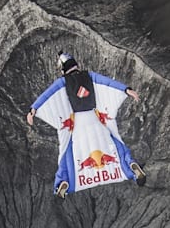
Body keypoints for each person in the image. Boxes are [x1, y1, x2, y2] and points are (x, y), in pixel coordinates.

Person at [27, 52, 147, 197]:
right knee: (116, 146)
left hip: (77, 125)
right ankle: (130, 166)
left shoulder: (62, 83)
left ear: (64, 70)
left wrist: (33, 110)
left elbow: (47, 95)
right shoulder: (90, 76)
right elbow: (107, 83)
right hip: (95, 120)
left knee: (67, 154)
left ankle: (64, 181)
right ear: (76, 65)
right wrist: (126, 90)